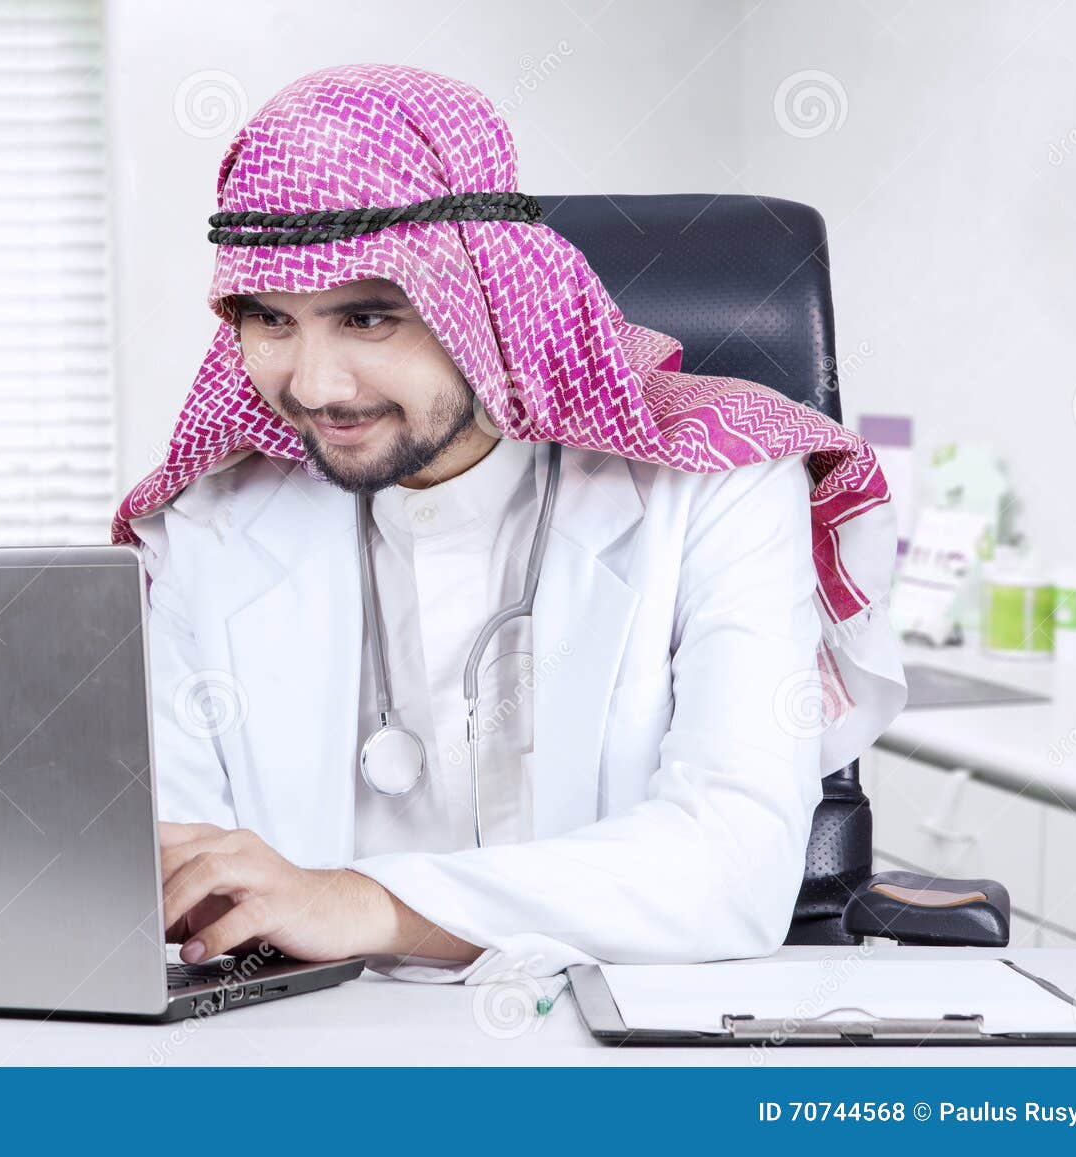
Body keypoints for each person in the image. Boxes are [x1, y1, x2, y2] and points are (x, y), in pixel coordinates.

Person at [112, 64, 906, 984]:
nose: (315, 386)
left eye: (368, 317)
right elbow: (183, 876)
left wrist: (362, 902)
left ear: (486, 298)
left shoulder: (721, 488)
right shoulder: (208, 523)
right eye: (272, 320)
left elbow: (732, 865)